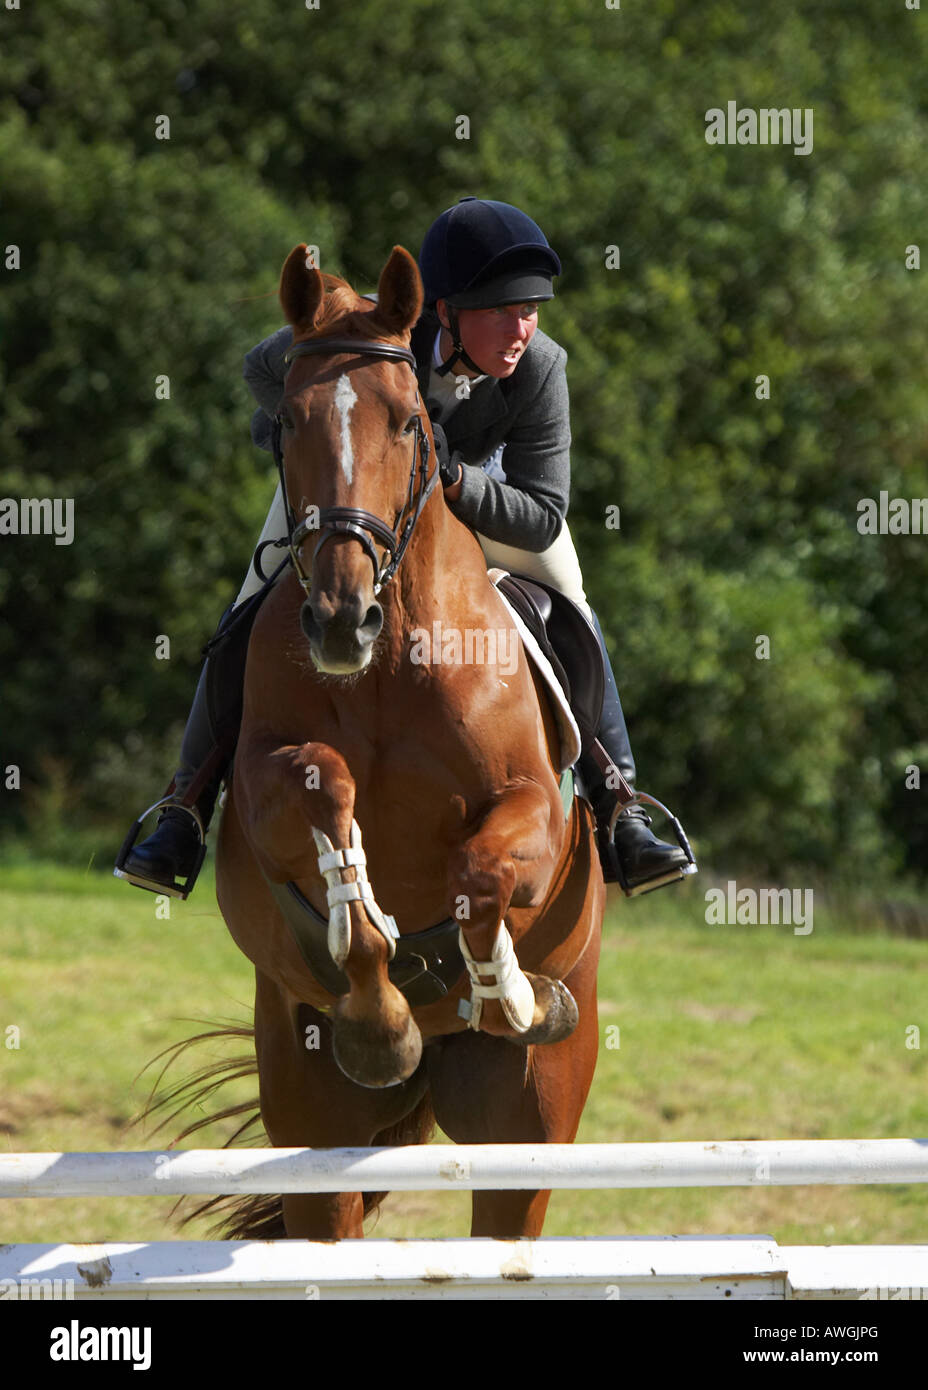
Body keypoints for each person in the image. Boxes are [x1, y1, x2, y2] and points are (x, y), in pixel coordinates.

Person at [115, 197, 692, 900]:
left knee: (572, 606)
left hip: (489, 501)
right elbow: (262, 368)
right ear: (443, 311)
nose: (523, 328)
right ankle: (186, 806)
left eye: (532, 309)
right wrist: (311, 430)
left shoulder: (541, 367)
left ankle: (621, 801)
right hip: (356, 499)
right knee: (253, 600)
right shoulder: (369, 325)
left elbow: (541, 515)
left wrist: (451, 477)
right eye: (504, 310)